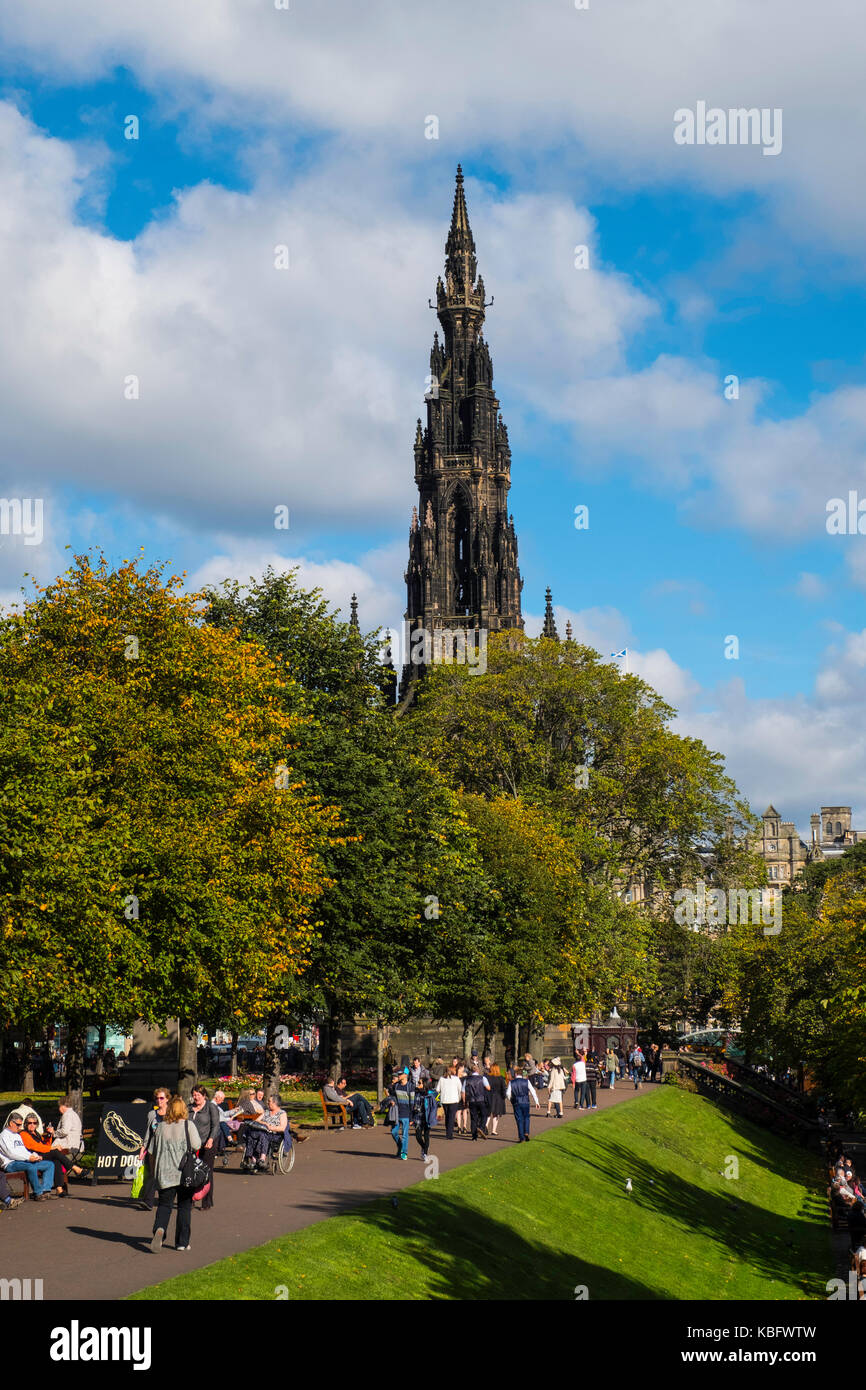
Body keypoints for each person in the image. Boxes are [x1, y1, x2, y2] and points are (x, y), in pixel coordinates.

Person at [145, 1094, 201, 1252]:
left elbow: (152, 1150)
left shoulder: (161, 1127)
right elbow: (197, 1145)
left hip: (165, 1172)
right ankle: (182, 1242)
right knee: (184, 1207)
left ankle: (159, 1229)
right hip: (185, 1173)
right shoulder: (188, 1125)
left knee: (164, 1205)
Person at [0, 1112, 55, 1198]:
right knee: (31, 1167)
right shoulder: (4, 1136)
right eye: (18, 1125)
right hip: (11, 1163)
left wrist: (35, 1156)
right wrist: (28, 1158)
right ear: (11, 1123)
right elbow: (11, 1153)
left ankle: (46, 1191)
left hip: (24, 1161)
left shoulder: (17, 1135)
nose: (19, 1127)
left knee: (49, 1165)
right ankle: (38, 1193)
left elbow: (23, 1150)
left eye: (20, 1125)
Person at [138, 1087, 170, 1210]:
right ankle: (148, 1201)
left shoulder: (172, 1113)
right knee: (152, 1174)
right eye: (157, 1098)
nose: (159, 1100)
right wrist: (143, 1148)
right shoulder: (152, 1114)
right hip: (153, 1149)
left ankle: (165, 1200)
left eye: (162, 1098)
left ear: (167, 1099)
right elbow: (148, 1133)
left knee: (166, 1175)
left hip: (168, 1149)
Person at [20, 1114, 68, 1194]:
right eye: (30, 1123)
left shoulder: (36, 1134)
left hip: (40, 1155)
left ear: (37, 1125)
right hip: (32, 1158)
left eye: (34, 1123)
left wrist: (49, 1137)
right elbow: (35, 1147)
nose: (32, 1125)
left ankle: (59, 1189)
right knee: (55, 1152)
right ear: (26, 1124)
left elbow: (45, 1146)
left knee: (56, 1159)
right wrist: (52, 1148)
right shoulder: (24, 1134)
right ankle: (73, 1167)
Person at [189, 1084, 219, 1207]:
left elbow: (216, 1125)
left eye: (198, 1095)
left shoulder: (210, 1107)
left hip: (207, 1143)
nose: (196, 1097)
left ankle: (206, 1201)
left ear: (204, 1095)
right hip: (192, 1145)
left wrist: (211, 1139)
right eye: (194, 1095)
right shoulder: (189, 1108)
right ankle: (190, 1200)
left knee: (206, 1171)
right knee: (190, 1171)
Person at [52, 1097, 84, 1176]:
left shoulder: (67, 1115)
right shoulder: (73, 1114)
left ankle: (58, 1174)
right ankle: (66, 1171)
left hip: (68, 1144)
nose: (59, 1109)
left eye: (59, 1106)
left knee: (51, 1152)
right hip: (76, 1143)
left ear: (63, 1106)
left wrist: (54, 1133)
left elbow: (64, 1131)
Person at [506, 1069, 539, 1143]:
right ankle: (526, 1132)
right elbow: (533, 1091)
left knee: (519, 1119)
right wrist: (537, 1102)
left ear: (516, 1074)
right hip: (525, 1101)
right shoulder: (526, 1081)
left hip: (516, 1101)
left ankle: (521, 1137)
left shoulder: (511, 1082)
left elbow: (508, 1093)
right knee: (527, 1117)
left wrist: (511, 1099)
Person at [388, 1068, 414, 1159]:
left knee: (404, 1134)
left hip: (406, 1114)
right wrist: (392, 1100)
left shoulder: (410, 1086)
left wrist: (411, 1117)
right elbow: (391, 1095)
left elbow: (412, 1102)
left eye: (400, 1074)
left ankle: (404, 1152)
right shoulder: (396, 1086)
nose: (398, 1075)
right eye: (398, 1074)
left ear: (406, 1075)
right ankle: (400, 1146)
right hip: (396, 1114)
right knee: (394, 1132)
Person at [436, 1065, 463, 1140]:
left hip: (445, 1100)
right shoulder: (456, 1079)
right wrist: (459, 1098)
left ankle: (448, 1131)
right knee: (451, 1117)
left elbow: (437, 1089)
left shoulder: (441, 1079)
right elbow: (460, 1089)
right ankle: (449, 1134)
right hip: (454, 1100)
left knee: (448, 1116)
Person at [412, 1078, 437, 1160]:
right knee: (418, 1136)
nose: (418, 1084)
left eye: (420, 1083)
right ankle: (424, 1147)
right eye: (418, 1083)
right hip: (418, 1118)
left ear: (425, 1085)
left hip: (427, 1118)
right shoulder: (416, 1093)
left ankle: (425, 1153)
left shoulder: (430, 1096)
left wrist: (432, 1118)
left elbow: (433, 1108)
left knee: (426, 1136)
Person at [464, 1066, 491, 1140]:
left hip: (472, 1100)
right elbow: (488, 1088)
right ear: (478, 1071)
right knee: (484, 1115)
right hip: (481, 1099)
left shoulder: (467, 1080)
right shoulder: (482, 1078)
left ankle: (474, 1135)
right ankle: (481, 1127)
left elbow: (463, 1091)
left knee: (473, 1118)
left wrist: (465, 1101)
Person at [486, 1064, 508, 1137]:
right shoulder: (501, 1078)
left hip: (489, 1096)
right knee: (496, 1114)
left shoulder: (487, 1077)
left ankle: (485, 1126)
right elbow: (503, 1088)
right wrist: (504, 1097)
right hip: (498, 1097)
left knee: (488, 1113)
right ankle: (493, 1130)